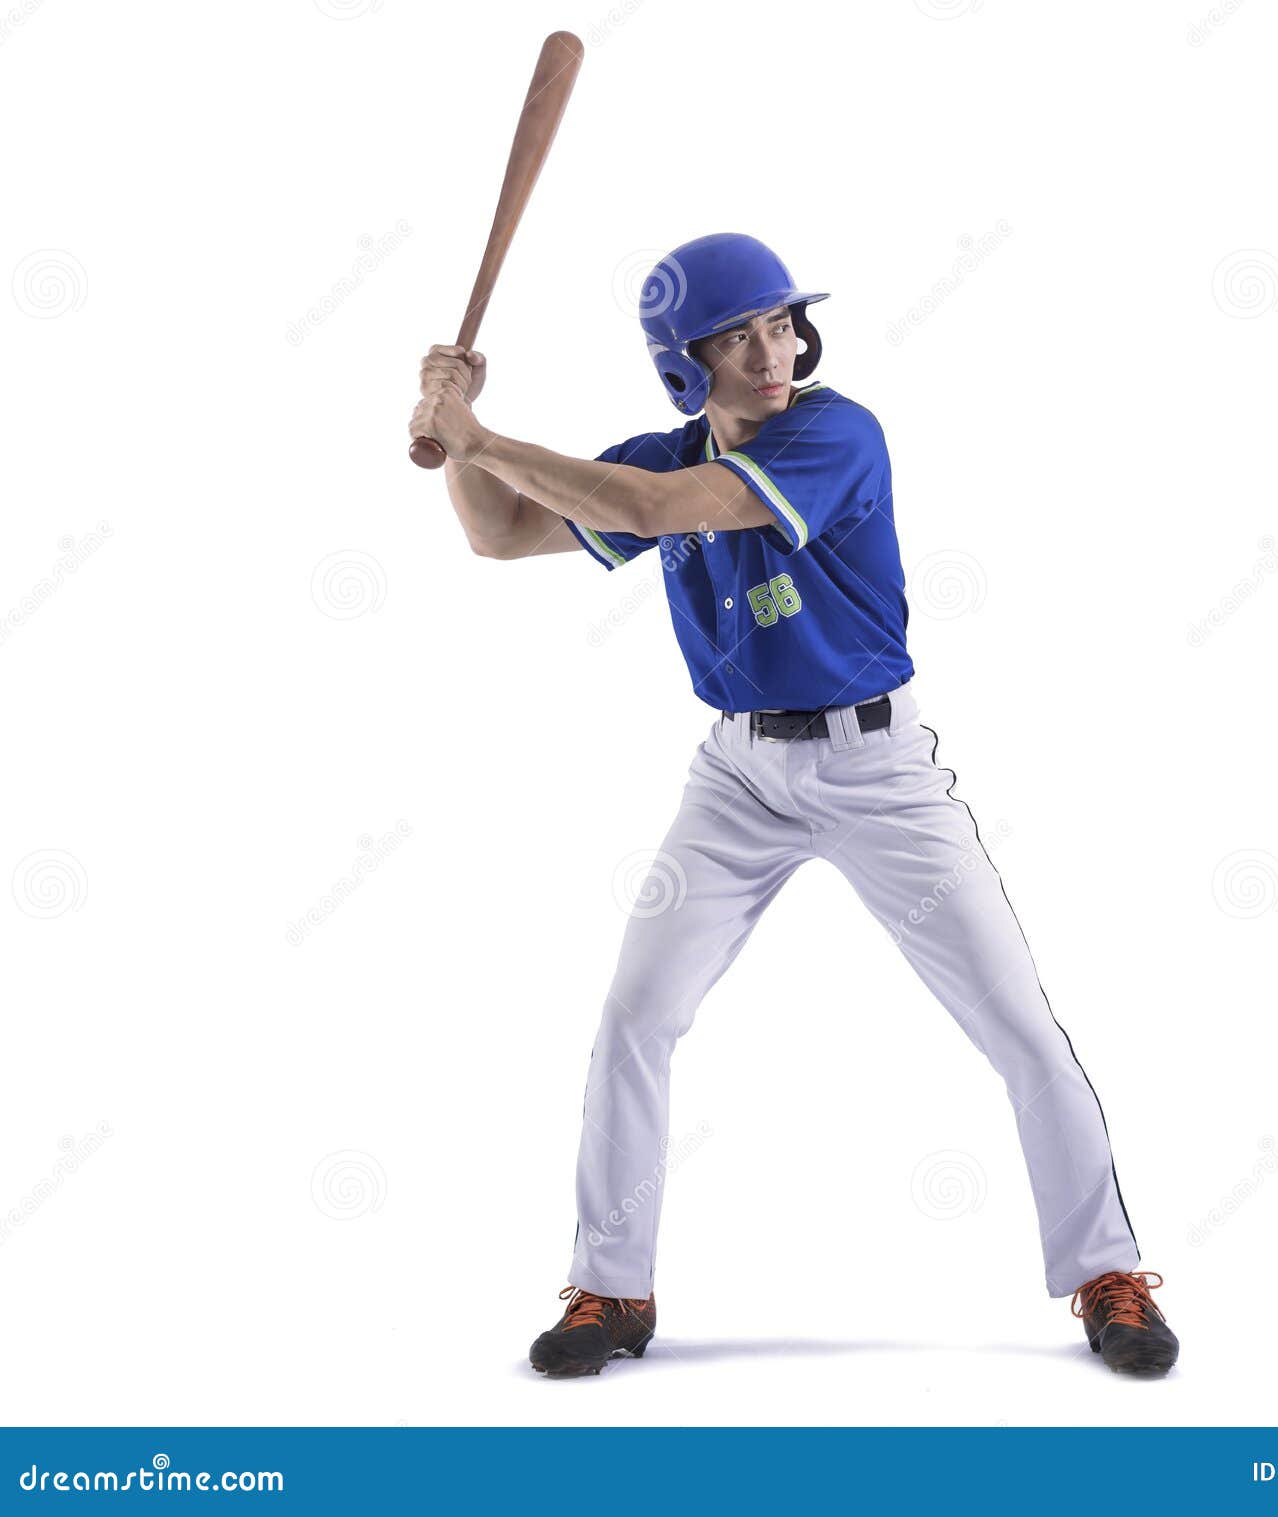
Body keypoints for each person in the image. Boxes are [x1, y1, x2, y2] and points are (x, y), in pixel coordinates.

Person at [409, 233, 1180, 1379]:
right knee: (635, 1014)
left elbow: (665, 509)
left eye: (780, 322)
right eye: (738, 335)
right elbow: (497, 530)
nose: (773, 350)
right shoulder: (659, 450)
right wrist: (458, 427)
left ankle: (1106, 1270)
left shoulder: (833, 432)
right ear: (687, 363)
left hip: (878, 769)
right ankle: (611, 1288)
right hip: (735, 777)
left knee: (1016, 1024)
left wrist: (484, 438)